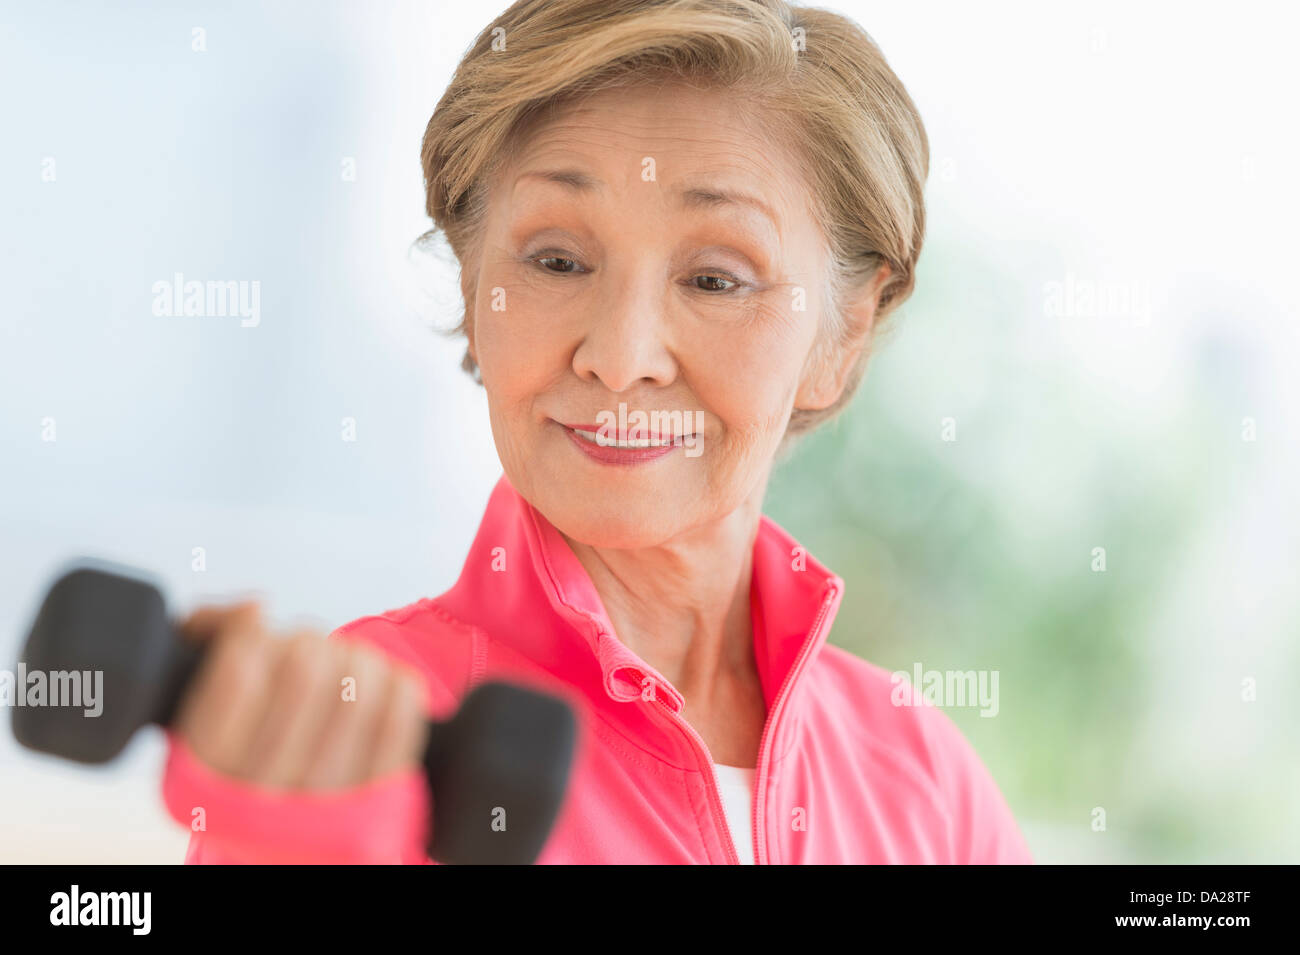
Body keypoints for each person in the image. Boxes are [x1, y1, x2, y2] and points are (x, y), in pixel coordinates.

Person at [165, 0, 1033, 864]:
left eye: (715, 279)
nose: (620, 359)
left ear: (842, 332)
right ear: (475, 293)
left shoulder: (925, 782)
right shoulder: (359, 742)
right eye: (556, 261)